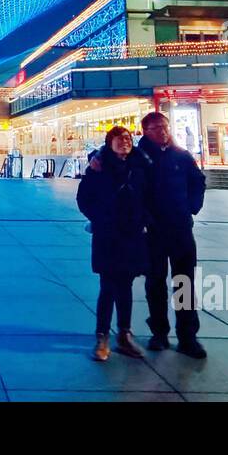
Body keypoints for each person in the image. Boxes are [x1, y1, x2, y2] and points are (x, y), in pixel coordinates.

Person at [77, 126, 151, 362]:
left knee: (126, 286)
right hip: (108, 235)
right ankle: (102, 337)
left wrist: (143, 219)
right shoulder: (98, 168)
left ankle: (124, 334)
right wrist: (100, 219)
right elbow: (84, 198)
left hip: (132, 235)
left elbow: (149, 196)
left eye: (128, 138)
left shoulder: (140, 166)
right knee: (107, 286)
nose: (124, 142)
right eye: (118, 139)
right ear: (109, 143)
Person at [139, 112, 208, 359]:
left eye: (165, 126)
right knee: (155, 282)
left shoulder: (181, 155)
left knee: (184, 282)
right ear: (145, 131)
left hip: (181, 228)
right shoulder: (139, 157)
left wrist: (192, 206)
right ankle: (159, 333)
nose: (163, 131)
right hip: (153, 231)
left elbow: (198, 181)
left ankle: (188, 336)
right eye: (156, 127)